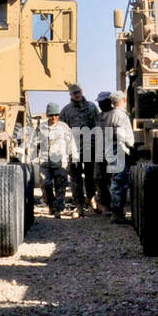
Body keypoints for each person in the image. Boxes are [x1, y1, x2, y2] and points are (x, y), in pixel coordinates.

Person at [59, 84, 100, 217]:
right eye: (74, 93)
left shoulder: (92, 107)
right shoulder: (66, 111)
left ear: (81, 92)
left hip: (89, 147)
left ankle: (92, 200)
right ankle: (79, 206)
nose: (77, 95)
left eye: (78, 92)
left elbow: (98, 126)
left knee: (90, 177)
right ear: (70, 95)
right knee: (76, 178)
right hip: (74, 149)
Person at [102, 91, 134, 224]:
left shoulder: (108, 115)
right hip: (119, 151)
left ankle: (117, 212)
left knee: (116, 181)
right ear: (124, 100)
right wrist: (130, 144)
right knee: (119, 183)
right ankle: (117, 214)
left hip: (111, 151)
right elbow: (121, 135)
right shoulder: (120, 116)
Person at [39, 103, 76, 217]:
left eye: (56, 115)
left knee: (60, 186)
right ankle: (51, 205)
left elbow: (71, 143)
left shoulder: (64, 127)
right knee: (46, 184)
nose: (53, 118)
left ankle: (58, 209)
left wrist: (74, 157)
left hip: (60, 161)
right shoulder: (41, 127)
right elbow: (32, 142)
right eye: (51, 115)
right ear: (47, 115)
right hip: (45, 162)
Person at [93, 91, 114, 215]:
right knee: (99, 178)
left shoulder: (116, 115)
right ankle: (106, 205)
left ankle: (115, 207)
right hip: (100, 153)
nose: (100, 105)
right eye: (99, 103)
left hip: (113, 152)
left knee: (113, 180)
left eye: (102, 102)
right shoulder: (99, 117)